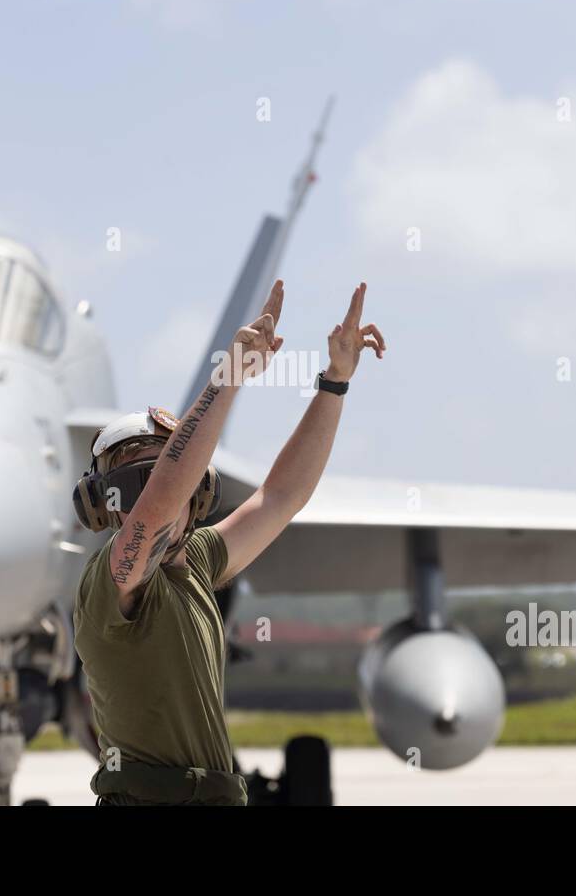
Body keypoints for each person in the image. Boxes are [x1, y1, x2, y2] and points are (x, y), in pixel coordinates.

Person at [71, 279, 385, 805]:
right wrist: (229, 378)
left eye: (166, 468)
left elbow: (281, 496)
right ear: (107, 503)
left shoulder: (194, 563)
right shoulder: (113, 580)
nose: (161, 489)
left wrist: (335, 383)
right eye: (136, 480)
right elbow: (158, 507)